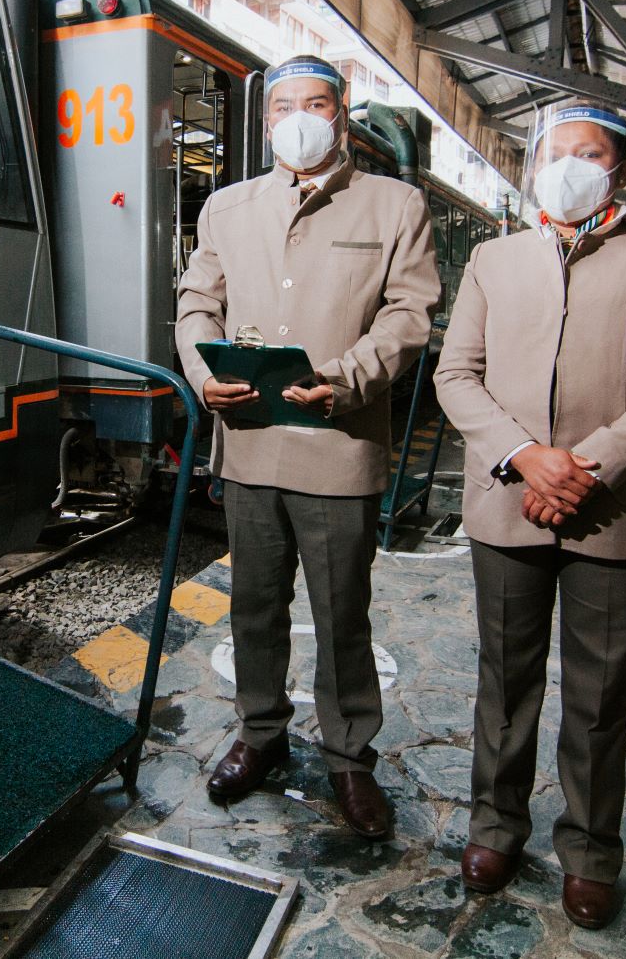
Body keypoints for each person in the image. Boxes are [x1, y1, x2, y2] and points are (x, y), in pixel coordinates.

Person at [433, 101, 626, 928]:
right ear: (532, 168)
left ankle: (590, 852)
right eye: (555, 154)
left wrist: (582, 467)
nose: (569, 167)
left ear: (620, 170)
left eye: (588, 153)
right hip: (506, 502)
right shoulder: (494, 257)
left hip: (614, 513)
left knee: (598, 695)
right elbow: (459, 375)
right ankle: (496, 826)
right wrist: (525, 456)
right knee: (505, 680)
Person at [175, 55, 440, 839]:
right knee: (255, 607)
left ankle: (349, 759)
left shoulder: (396, 207)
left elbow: (409, 314)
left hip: (339, 446)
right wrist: (199, 367)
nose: (299, 116)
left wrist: (349, 377)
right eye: (284, 104)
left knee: (341, 613)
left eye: (315, 102)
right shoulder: (226, 208)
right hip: (251, 444)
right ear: (265, 121)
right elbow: (199, 300)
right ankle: (260, 734)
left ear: (341, 111)